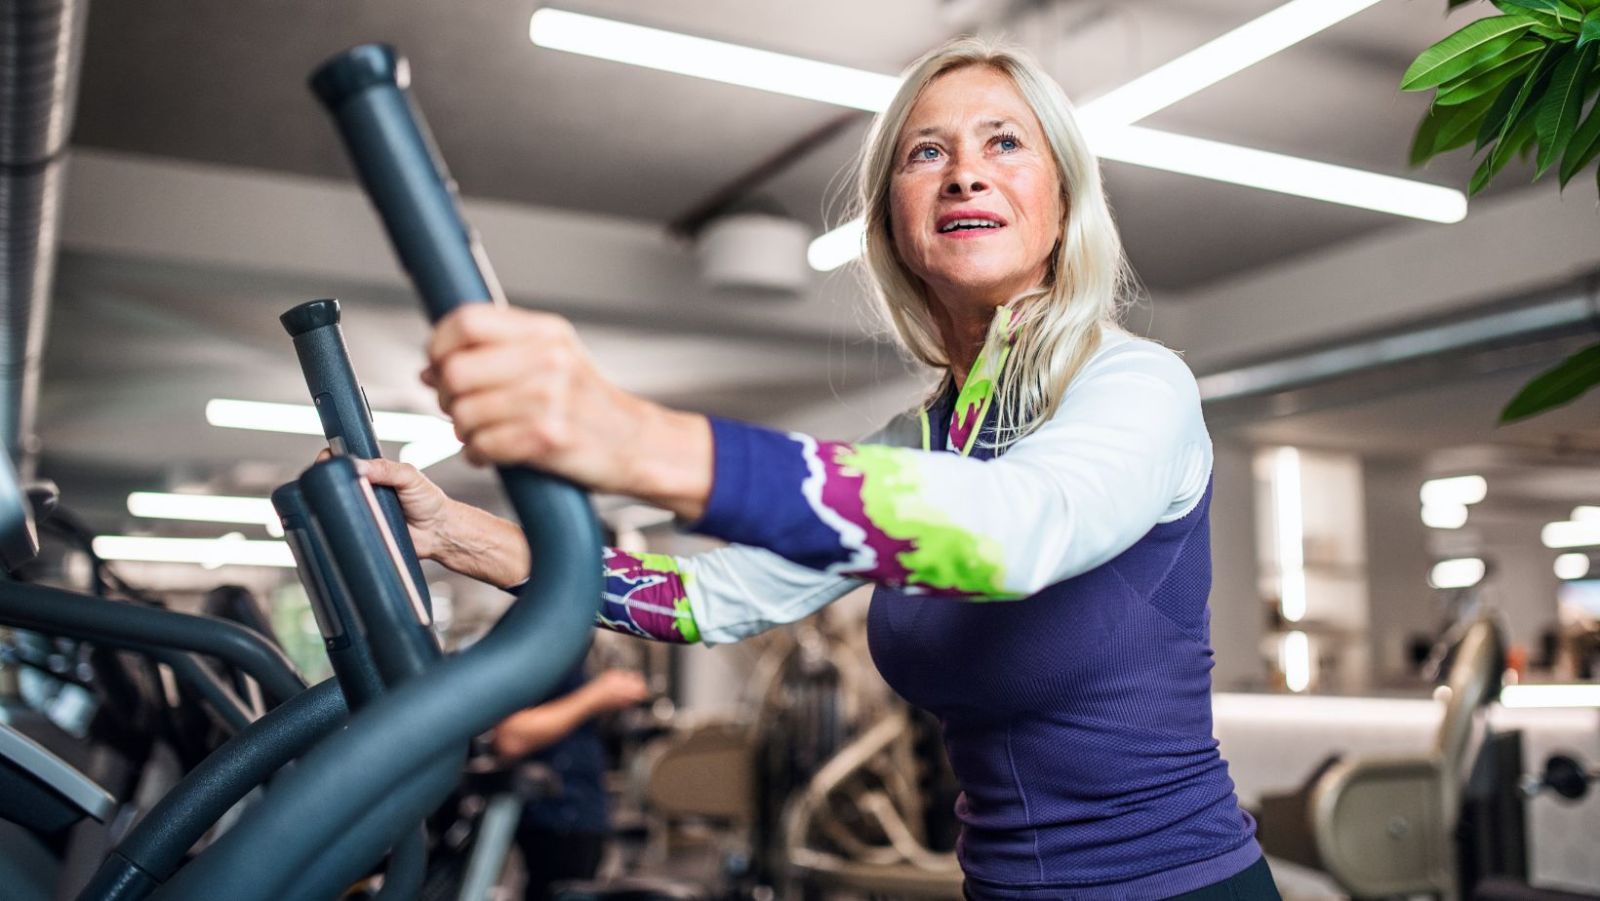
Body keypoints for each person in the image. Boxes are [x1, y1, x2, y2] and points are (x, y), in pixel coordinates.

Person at [355, 36, 1278, 899]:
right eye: (928, 153)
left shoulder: (1136, 384)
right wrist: (463, 535)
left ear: (1065, 200)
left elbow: (1012, 528)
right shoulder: (917, 442)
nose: (965, 171)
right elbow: (701, 598)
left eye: (1005, 143)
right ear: (893, 222)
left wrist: (631, 438)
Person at [492, 665, 649, 901]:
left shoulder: (576, 656)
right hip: (551, 816)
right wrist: (596, 695)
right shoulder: (543, 651)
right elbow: (511, 737)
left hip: (581, 816)